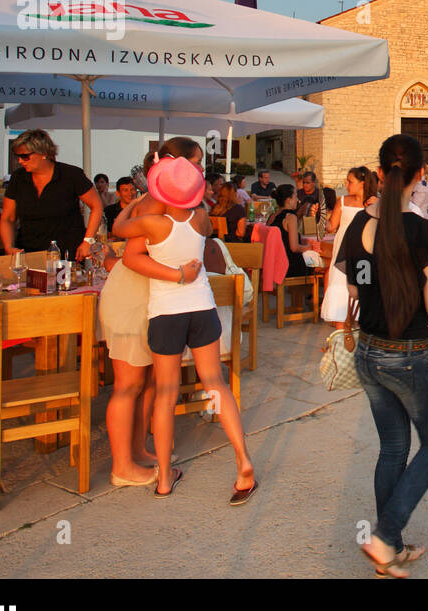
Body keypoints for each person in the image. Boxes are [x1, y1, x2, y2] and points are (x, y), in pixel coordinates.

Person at [336, 134, 428, 578]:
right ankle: (386, 536)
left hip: (369, 353)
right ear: (419, 176)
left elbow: (353, 289)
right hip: (408, 354)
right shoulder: (419, 230)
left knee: (392, 446)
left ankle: (387, 546)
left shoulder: (357, 227)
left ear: (379, 173)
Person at [116, 154, 257, 504]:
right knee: (215, 384)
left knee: (165, 392)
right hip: (202, 308)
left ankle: (164, 477)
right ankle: (243, 461)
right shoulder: (202, 218)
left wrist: (133, 203)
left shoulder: (151, 224)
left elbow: (119, 231)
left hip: (166, 313)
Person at [102, 137, 204, 488]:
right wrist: (179, 276)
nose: (202, 170)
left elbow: (119, 228)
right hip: (131, 297)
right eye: (196, 162)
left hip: (147, 298)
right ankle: (122, 467)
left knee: (145, 382)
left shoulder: (158, 198)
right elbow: (134, 257)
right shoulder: (160, 202)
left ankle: (139, 451)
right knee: (128, 384)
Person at [0, 129, 101, 259]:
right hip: (28, 252)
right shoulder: (18, 178)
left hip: (66, 253)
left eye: (25, 156)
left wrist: (88, 241)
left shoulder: (71, 175)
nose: (20, 161)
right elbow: (8, 217)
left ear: (44, 153)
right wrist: (8, 246)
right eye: (17, 156)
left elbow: (96, 206)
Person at [321, 167, 374, 329]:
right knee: (339, 287)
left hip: (363, 254)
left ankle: (360, 338)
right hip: (342, 251)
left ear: (362, 183)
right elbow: (331, 227)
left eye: (350, 181)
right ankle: (340, 340)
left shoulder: (375, 203)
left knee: (362, 290)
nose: (346, 184)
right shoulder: (342, 201)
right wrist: (321, 217)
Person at [268, 185, 316, 278]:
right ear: (288, 200)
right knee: (316, 261)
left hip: (273, 262)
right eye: (295, 196)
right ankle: (311, 291)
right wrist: (309, 247)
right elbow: (294, 248)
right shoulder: (290, 217)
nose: (297, 200)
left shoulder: (272, 217)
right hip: (288, 264)